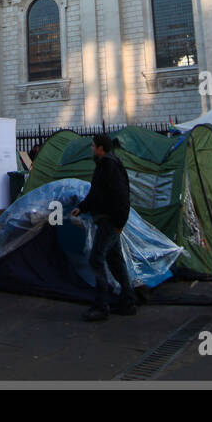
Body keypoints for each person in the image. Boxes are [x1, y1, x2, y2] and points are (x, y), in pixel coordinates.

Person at [71, 133, 136, 321]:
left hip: (110, 220)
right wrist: (82, 207)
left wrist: (118, 223)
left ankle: (101, 304)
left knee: (96, 259)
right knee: (115, 259)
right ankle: (128, 300)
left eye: (93, 146)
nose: (91, 149)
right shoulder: (106, 165)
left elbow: (120, 195)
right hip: (109, 220)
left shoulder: (108, 165)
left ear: (101, 148)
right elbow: (96, 193)